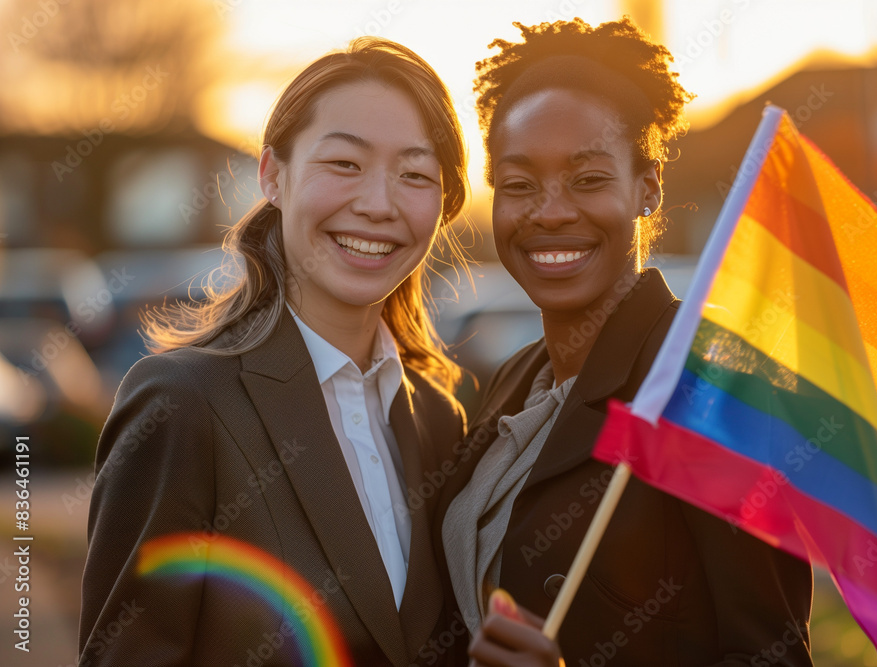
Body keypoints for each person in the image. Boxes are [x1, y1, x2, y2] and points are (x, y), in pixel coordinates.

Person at [80, 37, 471, 667]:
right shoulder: (183, 404)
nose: (377, 204)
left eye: (415, 174)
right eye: (344, 164)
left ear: (442, 209)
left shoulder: (436, 419)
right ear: (272, 175)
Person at [439, 18, 814, 666]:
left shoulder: (710, 385)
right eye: (519, 183)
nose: (550, 211)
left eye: (587, 180)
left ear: (649, 184)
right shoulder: (510, 381)